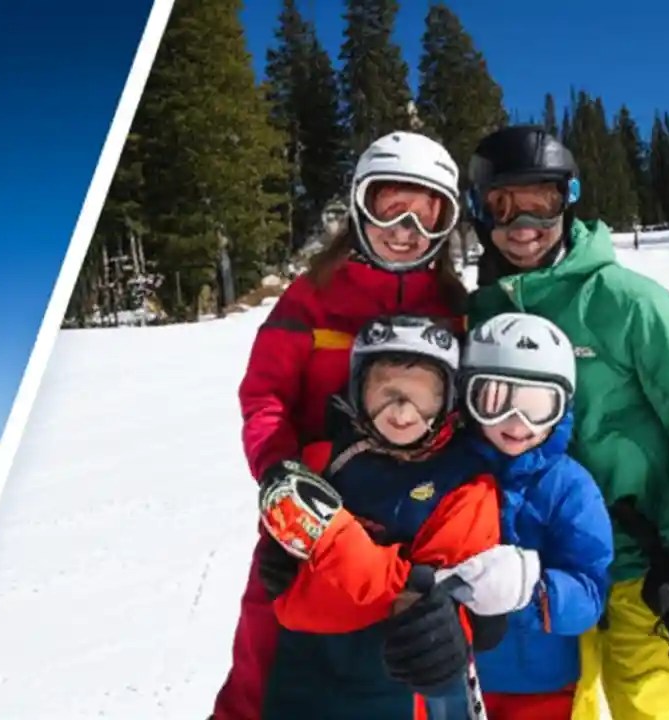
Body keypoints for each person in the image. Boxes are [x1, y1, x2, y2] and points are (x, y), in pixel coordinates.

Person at [212, 130, 470, 720]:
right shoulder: (312, 299)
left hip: (410, 522)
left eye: (426, 215)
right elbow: (266, 395)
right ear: (359, 207)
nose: (406, 230)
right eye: (391, 208)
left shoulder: (454, 309)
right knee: (263, 673)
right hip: (310, 517)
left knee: (407, 677)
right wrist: (279, 473)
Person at [465, 125, 669, 720]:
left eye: (540, 201)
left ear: (569, 200)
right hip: (547, 573)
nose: (522, 223)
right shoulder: (484, 315)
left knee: (653, 706)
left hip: (644, 566)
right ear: (480, 212)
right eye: (503, 205)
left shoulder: (627, 302)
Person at [254, 314, 527, 719]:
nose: (401, 414)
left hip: (398, 682)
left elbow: (431, 596)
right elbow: (287, 601)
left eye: (423, 397)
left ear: (449, 400)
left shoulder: (466, 484)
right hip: (304, 673)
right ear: (358, 390)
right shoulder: (323, 461)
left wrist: (328, 549)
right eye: (386, 393)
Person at [449, 311, 613, 719]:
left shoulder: (570, 487)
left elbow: (590, 591)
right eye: (494, 400)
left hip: (543, 684)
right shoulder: (444, 473)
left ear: (562, 407)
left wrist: (533, 592)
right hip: (457, 676)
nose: (516, 423)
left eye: (537, 406)